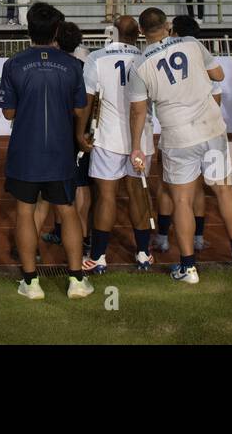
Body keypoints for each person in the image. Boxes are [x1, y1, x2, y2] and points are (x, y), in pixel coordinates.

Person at [128, 7, 232, 284]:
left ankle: (188, 267)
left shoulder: (138, 65)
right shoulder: (192, 43)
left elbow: (138, 111)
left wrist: (136, 145)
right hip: (211, 127)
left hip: (178, 135)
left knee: (182, 199)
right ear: (168, 25)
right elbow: (218, 75)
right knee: (223, 189)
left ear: (141, 31)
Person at [0, 2, 95, 301]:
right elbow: (81, 108)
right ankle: (76, 280)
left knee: (25, 212)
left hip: (25, 151)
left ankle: (31, 283)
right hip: (59, 150)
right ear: (56, 30)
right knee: (67, 212)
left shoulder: (13, 64)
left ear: (29, 30)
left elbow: (8, 113)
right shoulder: (72, 65)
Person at [79, 16, 155, 272]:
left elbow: (87, 99)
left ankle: (99, 256)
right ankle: (144, 253)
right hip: (141, 138)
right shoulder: (147, 58)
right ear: (139, 34)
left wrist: (81, 133)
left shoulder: (97, 58)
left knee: (106, 197)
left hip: (107, 137)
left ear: (113, 32)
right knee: (138, 193)